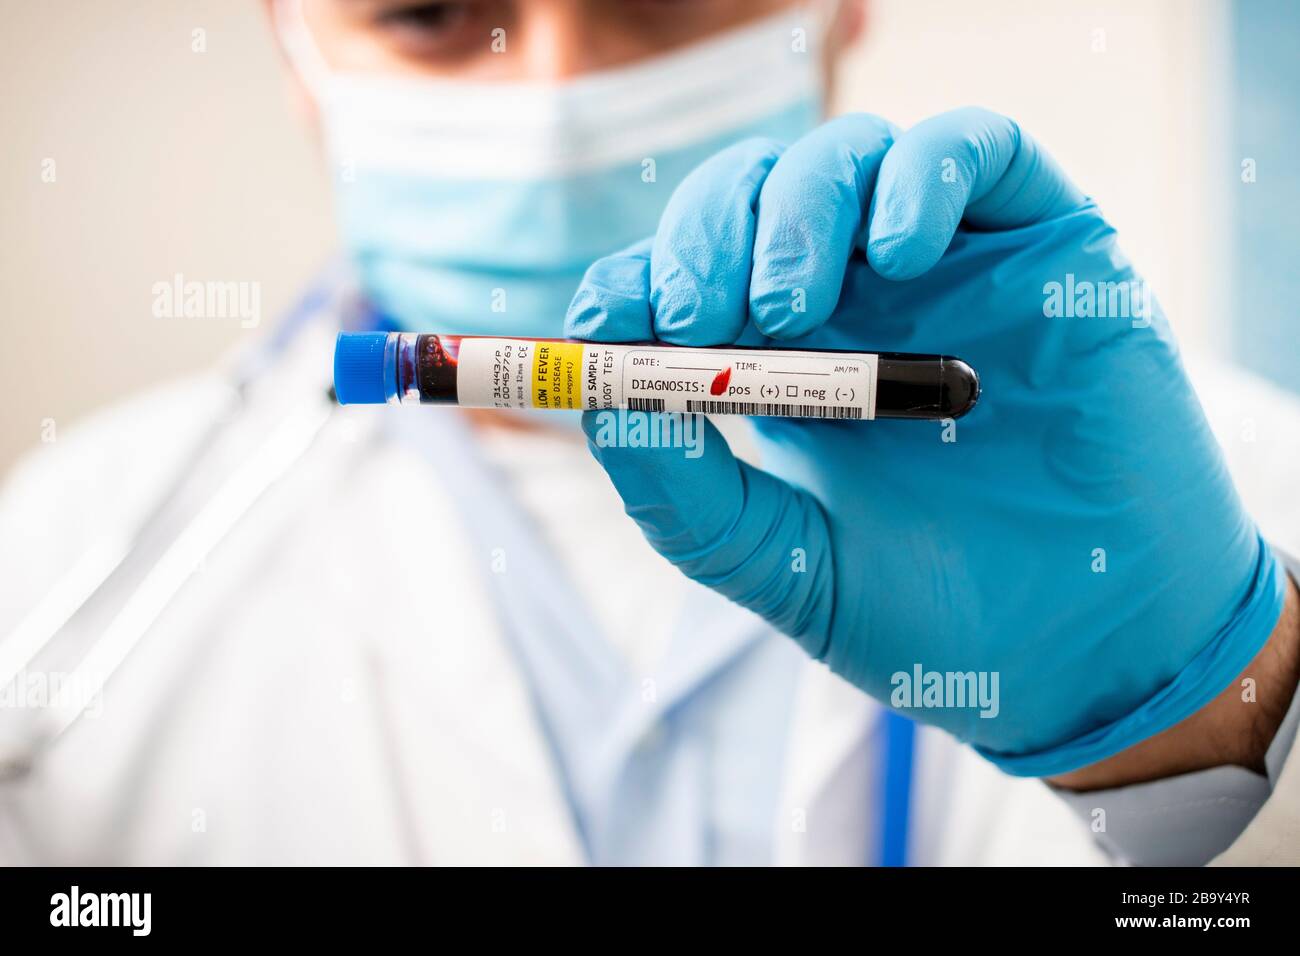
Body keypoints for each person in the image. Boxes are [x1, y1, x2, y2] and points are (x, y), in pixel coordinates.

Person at [0, 0, 1297, 866]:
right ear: (290, 41)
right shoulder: (63, 570)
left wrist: (1195, 727)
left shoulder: (1226, 499)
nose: (558, 93)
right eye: (430, 13)